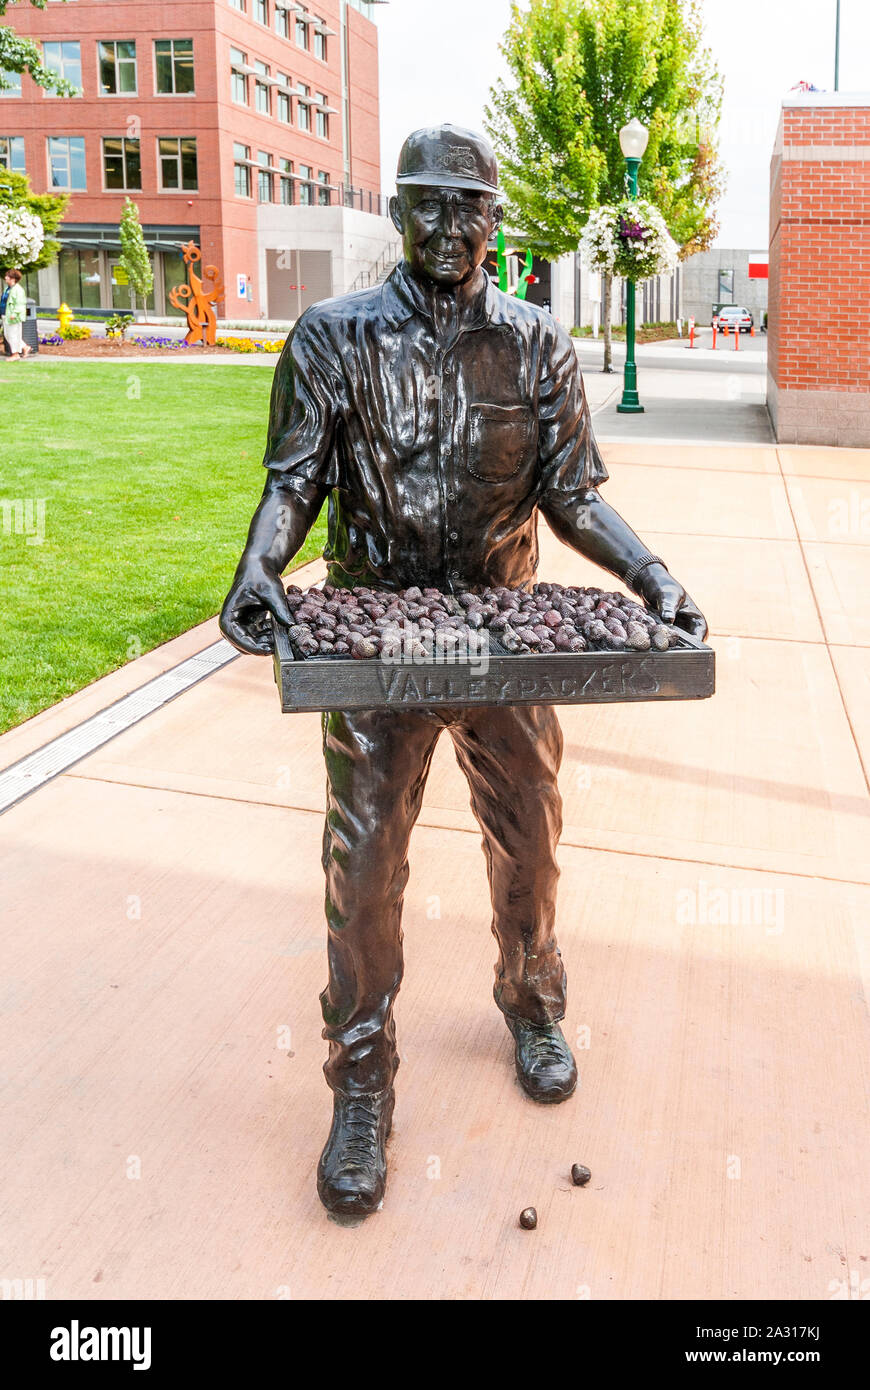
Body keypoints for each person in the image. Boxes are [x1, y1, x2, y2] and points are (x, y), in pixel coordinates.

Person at [220, 125, 708, 1218]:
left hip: (503, 637)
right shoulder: (332, 339)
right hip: (376, 646)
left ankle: (530, 996)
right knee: (361, 873)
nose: (447, 226)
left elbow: (573, 494)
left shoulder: (538, 345)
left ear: (496, 219)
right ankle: (360, 1078)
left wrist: (653, 574)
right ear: (397, 213)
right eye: (426, 205)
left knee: (531, 840)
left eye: (467, 206)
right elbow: (295, 482)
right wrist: (260, 565)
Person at [2, 269, 31, 360]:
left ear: (13, 279)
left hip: (12, 316)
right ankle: (25, 347)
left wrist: (14, 313)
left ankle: (15, 354)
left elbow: (20, 303)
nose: (5, 278)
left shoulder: (18, 290)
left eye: (8, 276)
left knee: (13, 334)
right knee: (8, 335)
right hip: (5, 314)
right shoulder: (8, 288)